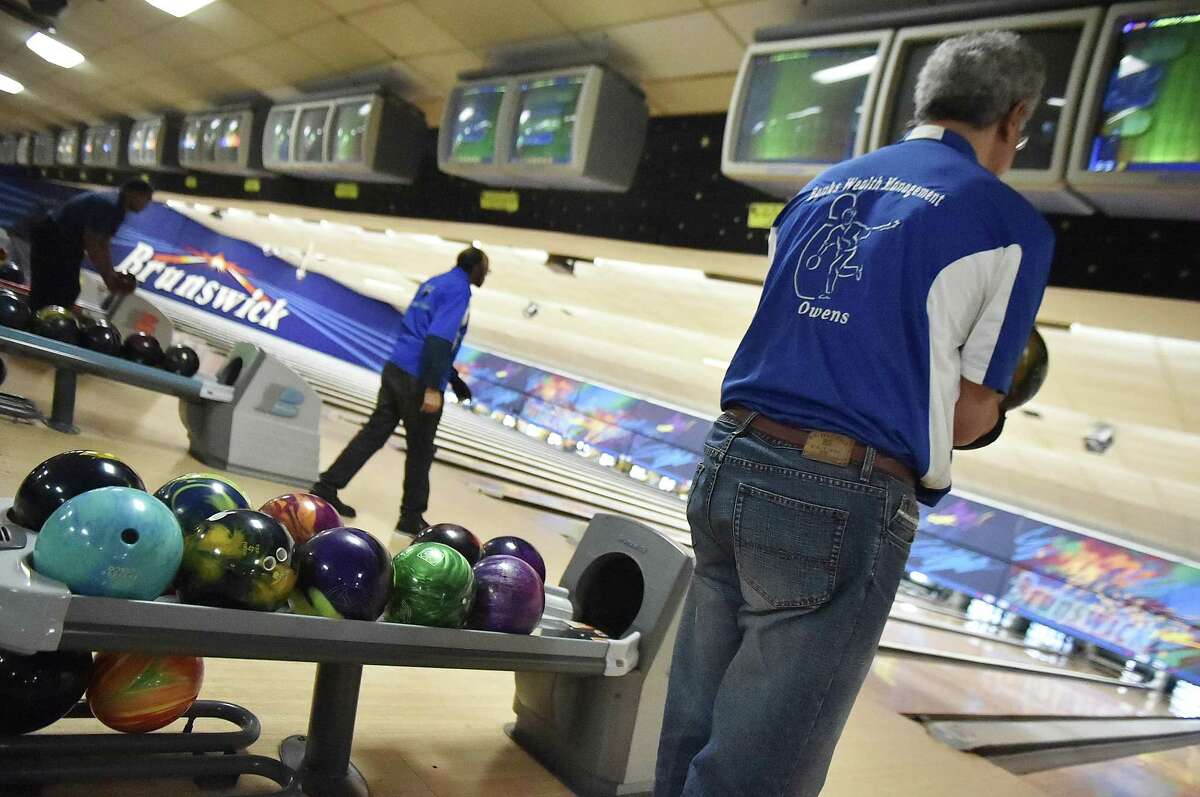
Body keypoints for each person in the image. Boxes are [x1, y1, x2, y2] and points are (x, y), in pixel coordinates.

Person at [655, 31, 1053, 797]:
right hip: (838, 496)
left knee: (691, 734)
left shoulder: (822, 184)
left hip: (727, 461)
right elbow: (969, 414)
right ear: (1013, 119)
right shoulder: (1010, 224)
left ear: (922, 103)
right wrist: (993, 415)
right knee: (757, 774)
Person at [311, 246, 489, 535]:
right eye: (486, 269)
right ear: (475, 268)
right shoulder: (460, 290)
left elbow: (421, 331)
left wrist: (452, 378)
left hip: (397, 366)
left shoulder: (435, 282)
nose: (487, 274)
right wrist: (433, 387)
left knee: (374, 432)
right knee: (421, 449)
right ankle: (411, 517)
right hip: (417, 377)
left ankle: (326, 485)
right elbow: (437, 339)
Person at [27, 179, 153, 311]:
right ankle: (39, 319)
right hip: (52, 238)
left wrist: (110, 275)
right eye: (146, 198)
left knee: (68, 290)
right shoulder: (108, 204)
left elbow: (103, 244)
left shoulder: (119, 209)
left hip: (65, 242)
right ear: (133, 193)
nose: (147, 204)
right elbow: (92, 242)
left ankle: (43, 316)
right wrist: (108, 278)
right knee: (56, 289)